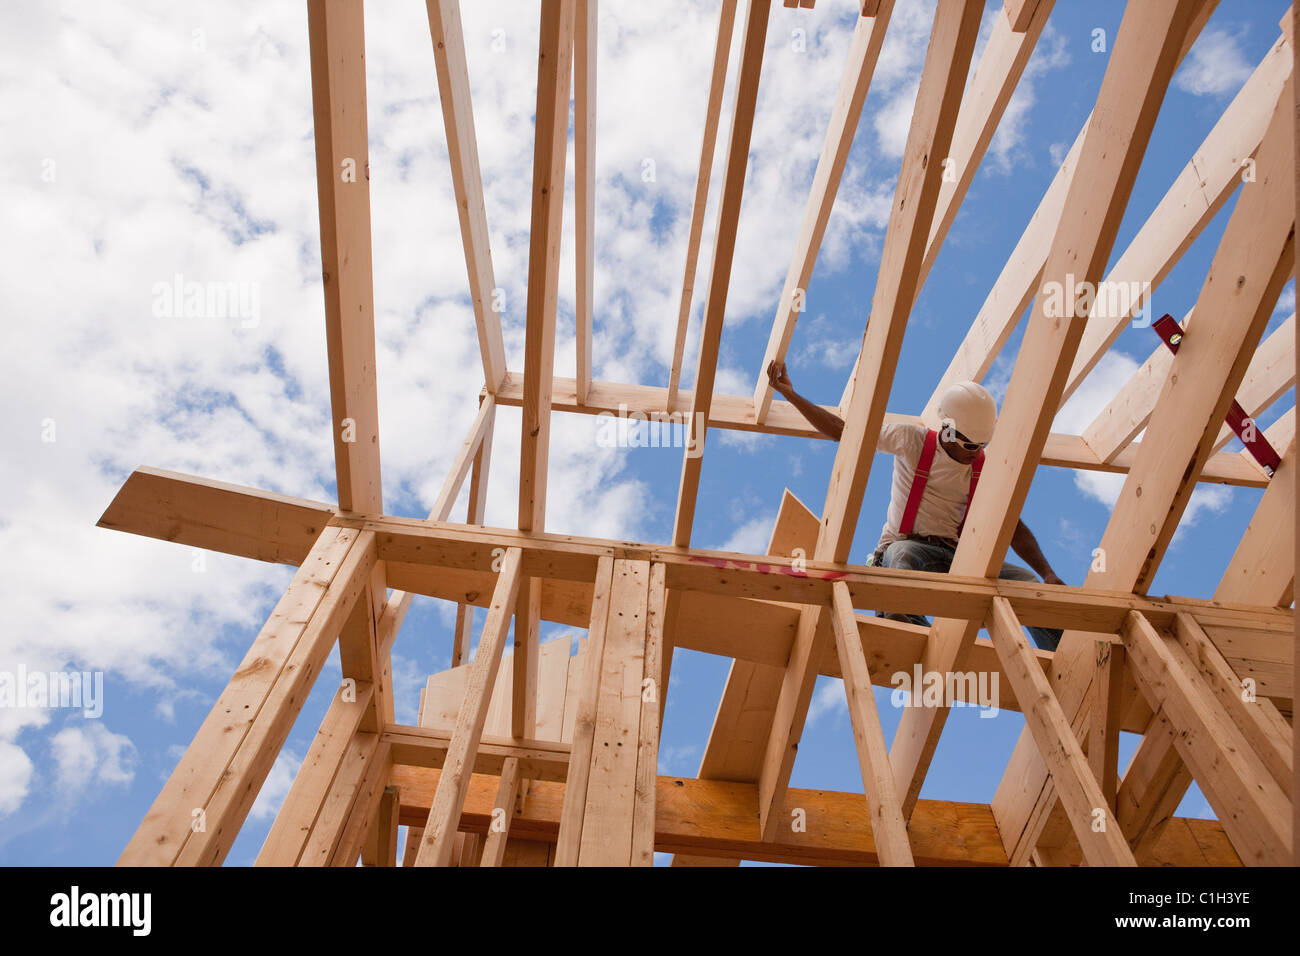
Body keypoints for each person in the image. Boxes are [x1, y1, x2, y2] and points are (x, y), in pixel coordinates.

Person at [766, 359, 1065, 652]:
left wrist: (1047, 573)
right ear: (948, 430)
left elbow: (1011, 526)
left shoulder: (982, 468)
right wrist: (790, 394)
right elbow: (844, 433)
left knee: (1026, 584)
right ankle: (912, 633)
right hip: (906, 548)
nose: (976, 454)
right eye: (971, 445)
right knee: (903, 554)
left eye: (982, 445)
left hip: (956, 558)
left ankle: (1065, 652)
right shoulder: (912, 440)